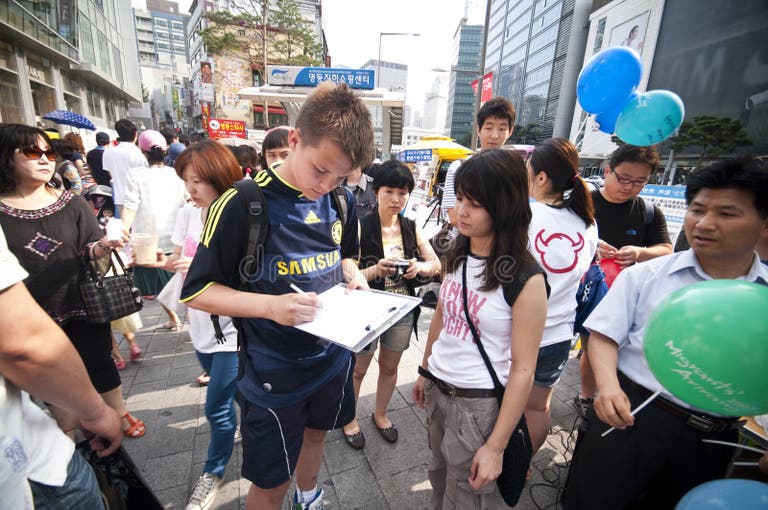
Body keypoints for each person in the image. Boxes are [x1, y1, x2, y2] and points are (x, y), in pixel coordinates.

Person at [180, 82, 374, 510]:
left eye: (340, 176)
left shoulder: (338, 201)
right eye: (320, 170)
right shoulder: (241, 203)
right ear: (294, 140)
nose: (327, 184)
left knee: (318, 434)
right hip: (273, 375)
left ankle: (310, 496)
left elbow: (340, 255)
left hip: (331, 355)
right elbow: (196, 291)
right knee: (270, 483)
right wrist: (270, 306)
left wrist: (350, 269)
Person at [563, 157, 768, 509]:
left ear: (764, 224)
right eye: (697, 209)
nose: (704, 223)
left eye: (727, 213)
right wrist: (607, 388)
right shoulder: (647, 276)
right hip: (631, 417)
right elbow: (603, 334)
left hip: (711, 439)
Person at [412, 149, 548, 508]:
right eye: (460, 199)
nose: (463, 211)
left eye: (476, 203)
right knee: (439, 475)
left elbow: (523, 369)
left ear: (504, 206)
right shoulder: (457, 251)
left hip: (477, 405)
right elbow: (443, 312)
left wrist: (495, 446)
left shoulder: (524, 278)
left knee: (468, 496)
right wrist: (425, 369)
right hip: (439, 392)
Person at [0, 124, 145, 439]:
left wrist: (106, 244)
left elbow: (90, 249)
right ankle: (66, 431)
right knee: (48, 373)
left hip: (81, 300)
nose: (43, 159)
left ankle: (119, 413)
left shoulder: (72, 202)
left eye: (48, 152)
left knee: (98, 361)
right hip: (29, 311)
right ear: (6, 158)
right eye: (31, 152)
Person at [0, 224, 123, 509]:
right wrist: (96, 412)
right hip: (20, 470)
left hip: (82, 313)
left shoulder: (72, 205)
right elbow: (24, 343)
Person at [161, 141, 243, 510]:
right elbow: (178, 256)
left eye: (197, 181)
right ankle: (253, 422)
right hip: (198, 326)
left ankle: (213, 472)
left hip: (231, 331)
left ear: (219, 177)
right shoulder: (187, 213)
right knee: (238, 395)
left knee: (216, 409)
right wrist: (165, 260)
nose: (191, 190)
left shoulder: (239, 215)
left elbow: (244, 274)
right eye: (186, 181)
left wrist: (192, 263)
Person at [342, 160, 441, 450]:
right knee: (359, 369)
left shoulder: (411, 228)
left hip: (401, 309)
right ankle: (349, 418)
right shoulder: (360, 227)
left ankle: (381, 413)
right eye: (389, 192)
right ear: (375, 192)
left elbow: (435, 264)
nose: (396, 199)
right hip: (367, 309)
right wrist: (376, 271)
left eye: (403, 192)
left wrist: (417, 268)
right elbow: (347, 272)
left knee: (389, 367)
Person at [576, 144, 673, 414]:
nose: (630, 187)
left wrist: (640, 252)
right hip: (585, 291)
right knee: (591, 346)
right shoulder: (582, 204)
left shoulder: (649, 212)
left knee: (615, 349)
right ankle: (586, 397)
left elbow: (666, 250)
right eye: (624, 178)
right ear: (608, 171)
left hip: (629, 296)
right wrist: (588, 245)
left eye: (639, 181)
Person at [523, 139, 598, 458]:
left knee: (501, 400)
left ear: (541, 177)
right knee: (538, 408)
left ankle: (498, 456)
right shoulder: (588, 222)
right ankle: (523, 464)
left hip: (515, 332)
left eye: (528, 171)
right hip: (558, 334)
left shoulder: (524, 214)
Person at [122, 129, 186, 330]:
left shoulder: (135, 175)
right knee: (183, 280)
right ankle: (187, 317)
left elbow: (130, 206)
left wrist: (122, 232)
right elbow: (187, 201)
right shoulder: (176, 174)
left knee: (158, 287)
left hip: (148, 240)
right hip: (176, 238)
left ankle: (175, 317)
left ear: (142, 151)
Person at [442, 97, 516, 226]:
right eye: (488, 128)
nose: (494, 135)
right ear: (478, 130)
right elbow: (454, 217)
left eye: (502, 129)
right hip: (464, 243)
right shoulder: (459, 167)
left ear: (510, 131)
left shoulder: (513, 171)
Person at [102, 119, 146, 218]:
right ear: (135, 134)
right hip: (139, 198)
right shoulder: (140, 153)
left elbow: (111, 174)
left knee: (124, 228)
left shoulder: (108, 152)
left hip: (119, 196)